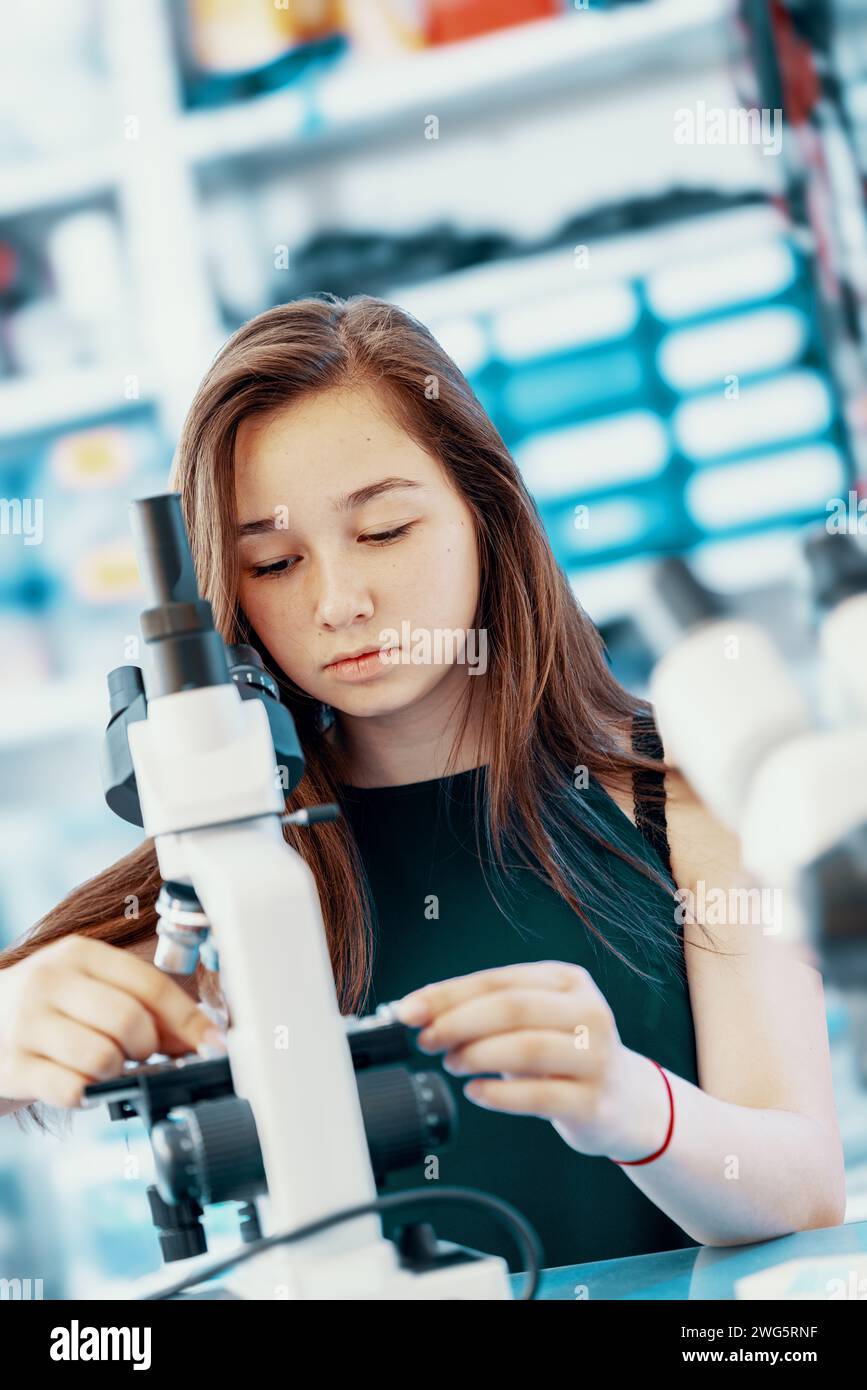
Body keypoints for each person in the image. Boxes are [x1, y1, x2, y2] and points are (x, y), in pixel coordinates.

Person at [0, 294, 845, 1273]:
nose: (339, 602)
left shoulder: (681, 793)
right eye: (272, 562)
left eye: (387, 530)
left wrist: (631, 1103)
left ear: (484, 510)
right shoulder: (227, 868)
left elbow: (803, 1182)